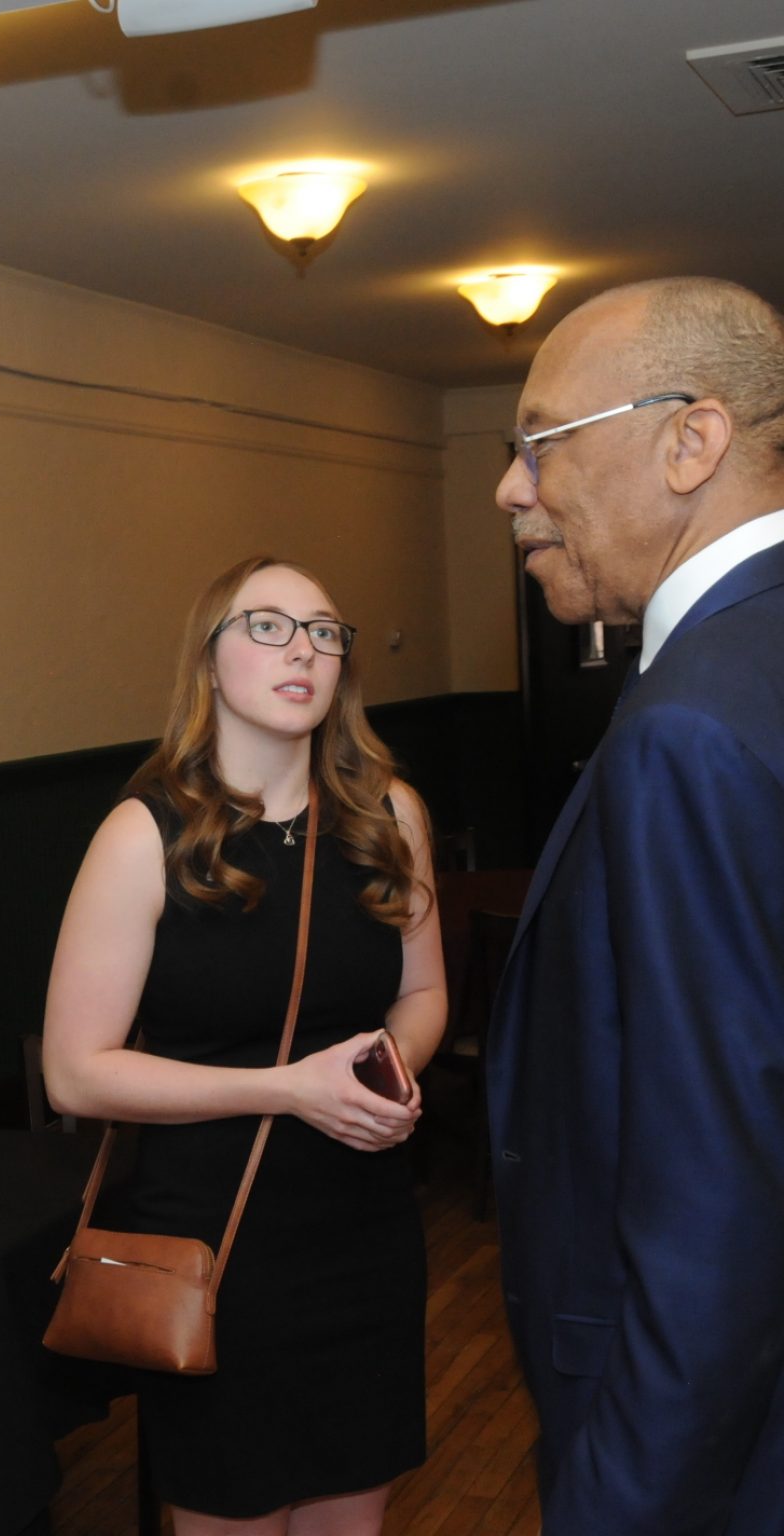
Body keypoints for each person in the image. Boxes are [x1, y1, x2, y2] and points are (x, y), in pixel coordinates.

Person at [43, 555, 446, 1536]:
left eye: (323, 630)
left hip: (363, 1230)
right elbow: (76, 1071)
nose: (302, 647)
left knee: (354, 1510)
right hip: (219, 1245)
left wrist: (385, 1075)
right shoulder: (145, 837)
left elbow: (425, 992)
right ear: (209, 662)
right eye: (266, 625)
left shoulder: (390, 814)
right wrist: (288, 1090)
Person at [489, 277, 784, 1535]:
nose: (510, 490)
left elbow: (716, 1196)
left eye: (538, 444)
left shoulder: (690, 727)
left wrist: (618, 1507)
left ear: (690, 440)